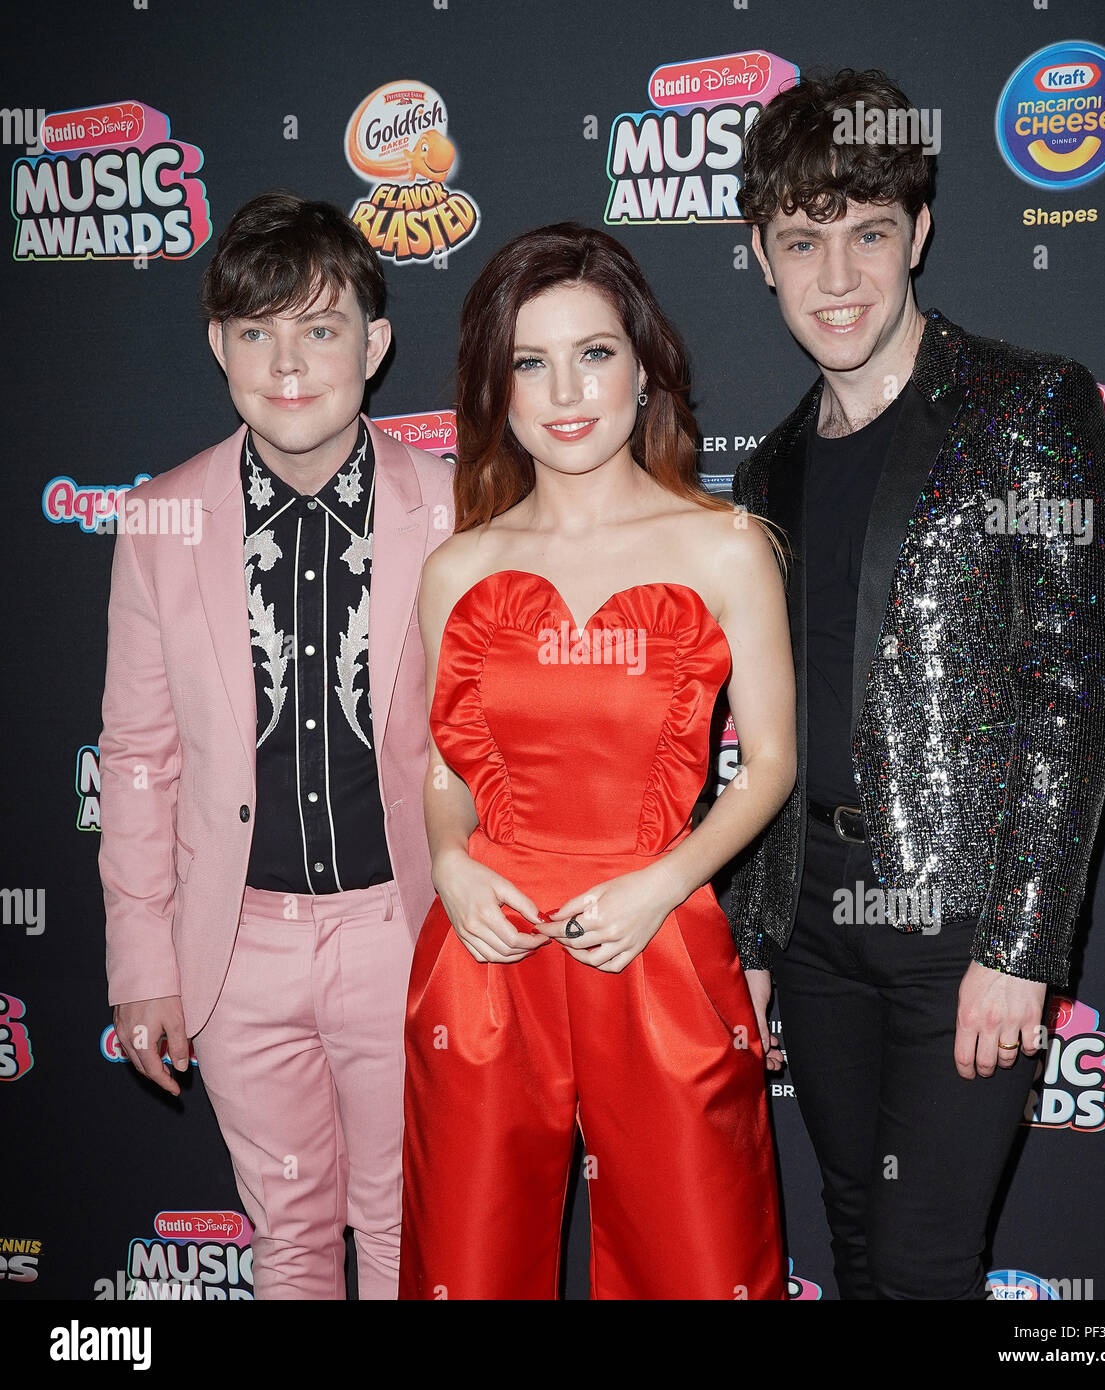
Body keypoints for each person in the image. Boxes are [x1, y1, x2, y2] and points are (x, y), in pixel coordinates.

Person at [725, 69, 1105, 1299]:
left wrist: (1020, 942)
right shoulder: (773, 470)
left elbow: (1072, 693)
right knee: (851, 1233)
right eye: (803, 242)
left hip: (961, 921)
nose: (836, 277)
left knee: (922, 1259)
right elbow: (765, 731)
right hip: (815, 923)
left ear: (920, 234)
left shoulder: (1026, 405)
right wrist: (753, 933)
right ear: (761, 252)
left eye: (868, 235)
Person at [397, 222, 795, 1300]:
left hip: (659, 936)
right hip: (487, 945)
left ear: (644, 366)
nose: (565, 389)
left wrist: (664, 881)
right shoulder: (459, 567)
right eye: (531, 360)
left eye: (594, 352)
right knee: (467, 1268)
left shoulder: (725, 545)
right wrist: (451, 861)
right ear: (497, 386)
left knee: (698, 1259)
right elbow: (445, 767)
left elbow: (768, 763)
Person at [98, 191, 454, 1298]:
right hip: (235, 948)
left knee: (406, 1226)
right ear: (219, 347)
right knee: (288, 1235)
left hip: (402, 931)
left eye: (319, 326)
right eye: (256, 331)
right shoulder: (159, 520)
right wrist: (141, 963)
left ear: (374, 344)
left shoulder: (455, 510)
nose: (287, 362)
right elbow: (136, 755)